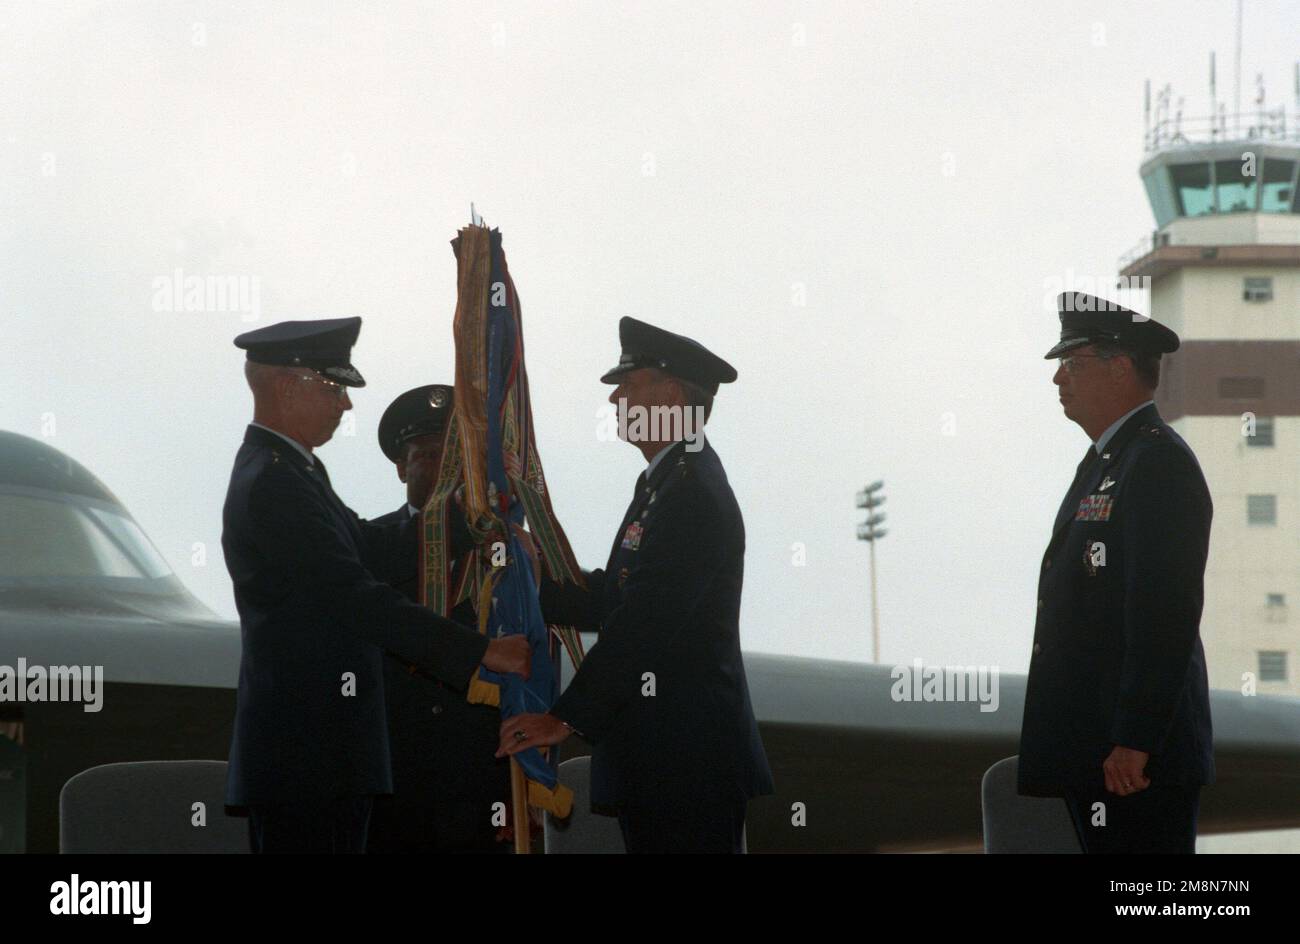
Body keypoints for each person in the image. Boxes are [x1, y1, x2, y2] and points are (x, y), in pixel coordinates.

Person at [221, 318, 529, 854]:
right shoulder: (274, 482)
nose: (345, 405)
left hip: (326, 756)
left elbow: (372, 547)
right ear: (291, 386)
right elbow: (354, 596)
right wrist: (482, 652)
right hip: (307, 758)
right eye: (335, 387)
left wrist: (470, 515)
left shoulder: (295, 472)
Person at [497, 316, 774, 853]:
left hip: (685, 761)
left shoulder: (691, 493)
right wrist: (537, 584)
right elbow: (616, 598)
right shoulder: (664, 483)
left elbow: (646, 622)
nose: (615, 400)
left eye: (627, 384)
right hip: (663, 757)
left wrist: (561, 718)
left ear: (670, 394)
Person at [1017, 292, 1214, 854]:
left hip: (1132, 762)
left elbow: (1164, 615)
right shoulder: (1112, 461)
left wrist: (1135, 738)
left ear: (1120, 366)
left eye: (1072, 363)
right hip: (1100, 752)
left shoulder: (1156, 463)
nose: (1058, 379)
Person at [365, 384, 510, 853]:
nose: (445, 468)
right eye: (428, 455)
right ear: (400, 466)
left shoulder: (506, 550)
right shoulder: (367, 550)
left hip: (480, 786)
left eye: (455, 456)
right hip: (386, 786)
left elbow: (542, 645)